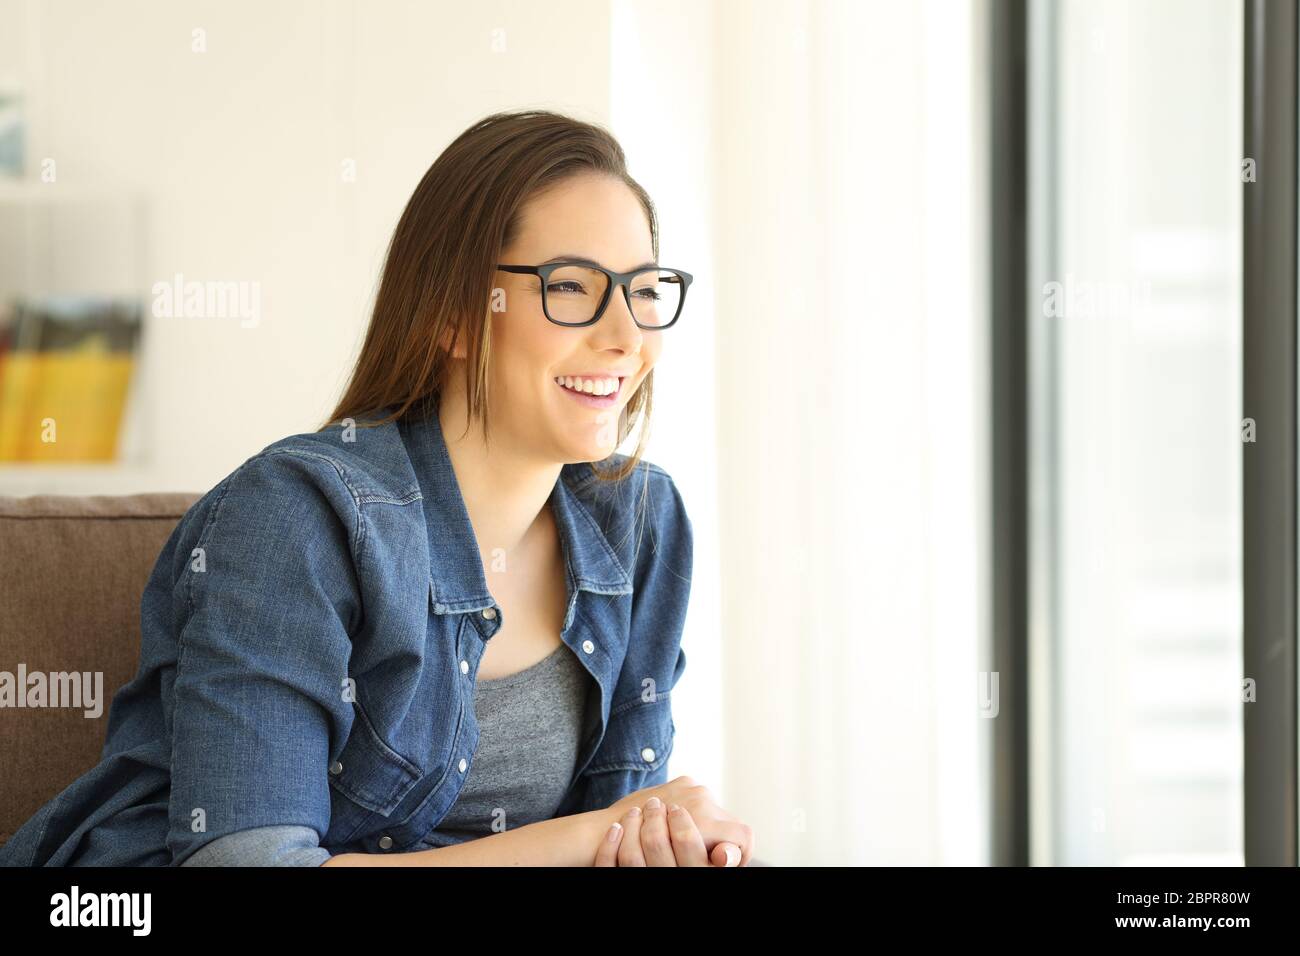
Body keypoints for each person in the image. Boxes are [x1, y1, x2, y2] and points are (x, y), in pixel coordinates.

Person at [0, 109, 755, 867]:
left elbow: (631, 834)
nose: (625, 336)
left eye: (644, 290)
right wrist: (584, 837)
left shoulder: (641, 523)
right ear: (455, 315)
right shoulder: (296, 517)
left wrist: (675, 845)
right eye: (571, 286)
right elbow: (249, 864)